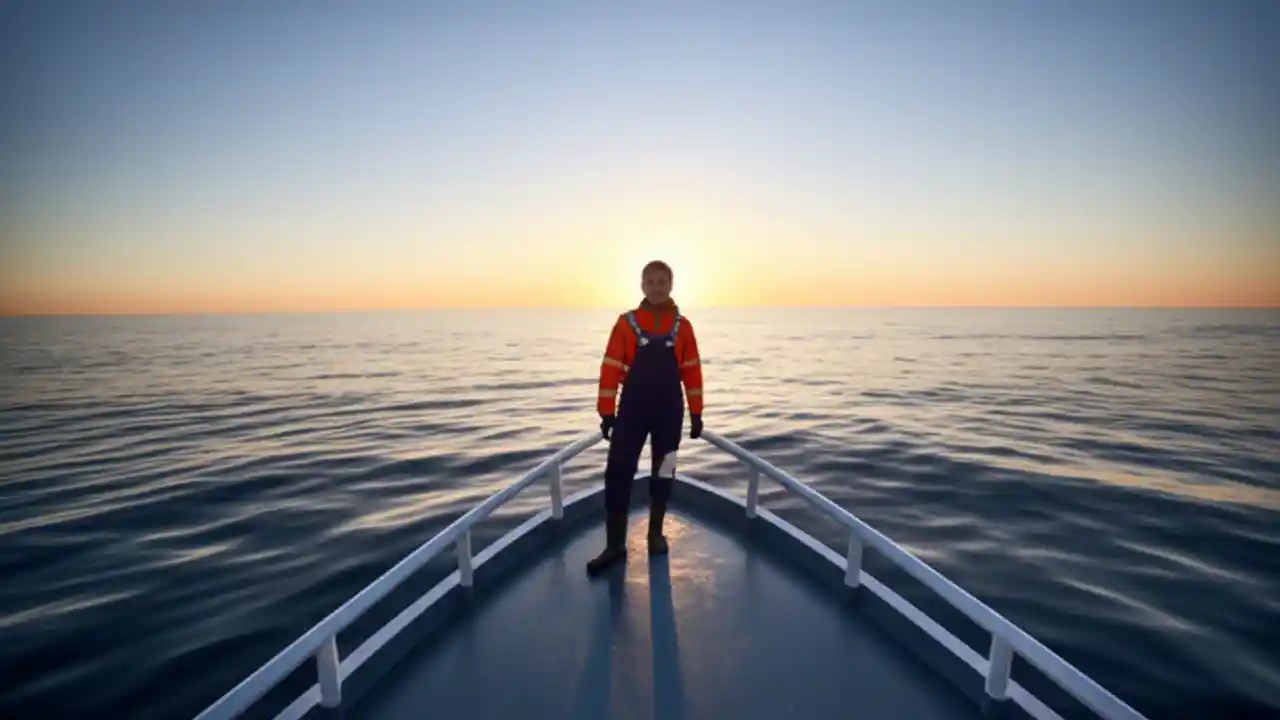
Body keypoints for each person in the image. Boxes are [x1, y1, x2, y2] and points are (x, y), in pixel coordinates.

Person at [587, 260, 704, 576]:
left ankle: (655, 534)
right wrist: (607, 412)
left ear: (671, 285)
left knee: (664, 471)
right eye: (650, 282)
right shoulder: (626, 324)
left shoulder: (684, 327)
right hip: (632, 412)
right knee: (618, 472)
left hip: (670, 412)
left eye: (661, 282)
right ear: (642, 286)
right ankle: (615, 545)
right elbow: (610, 367)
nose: (656, 287)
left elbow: (692, 371)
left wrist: (696, 413)